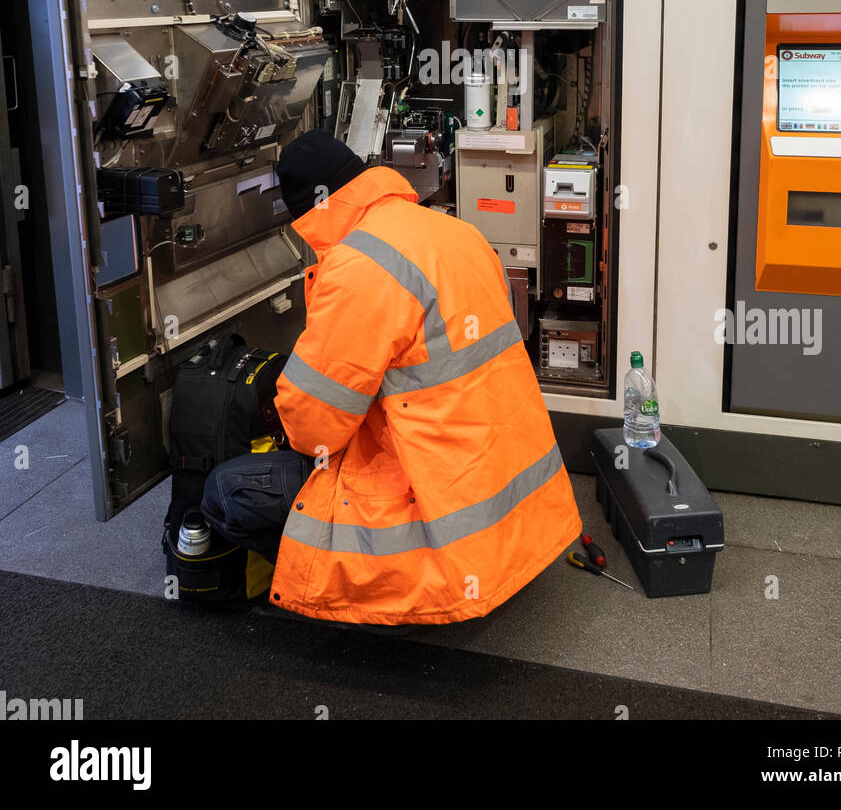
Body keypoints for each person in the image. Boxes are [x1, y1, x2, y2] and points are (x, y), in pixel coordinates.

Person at [201, 129, 580, 625]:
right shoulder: (457, 233)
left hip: (437, 502)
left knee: (228, 491)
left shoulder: (360, 266)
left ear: (308, 213)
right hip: (507, 493)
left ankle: (334, 587)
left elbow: (314, 430)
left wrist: (281, 408)